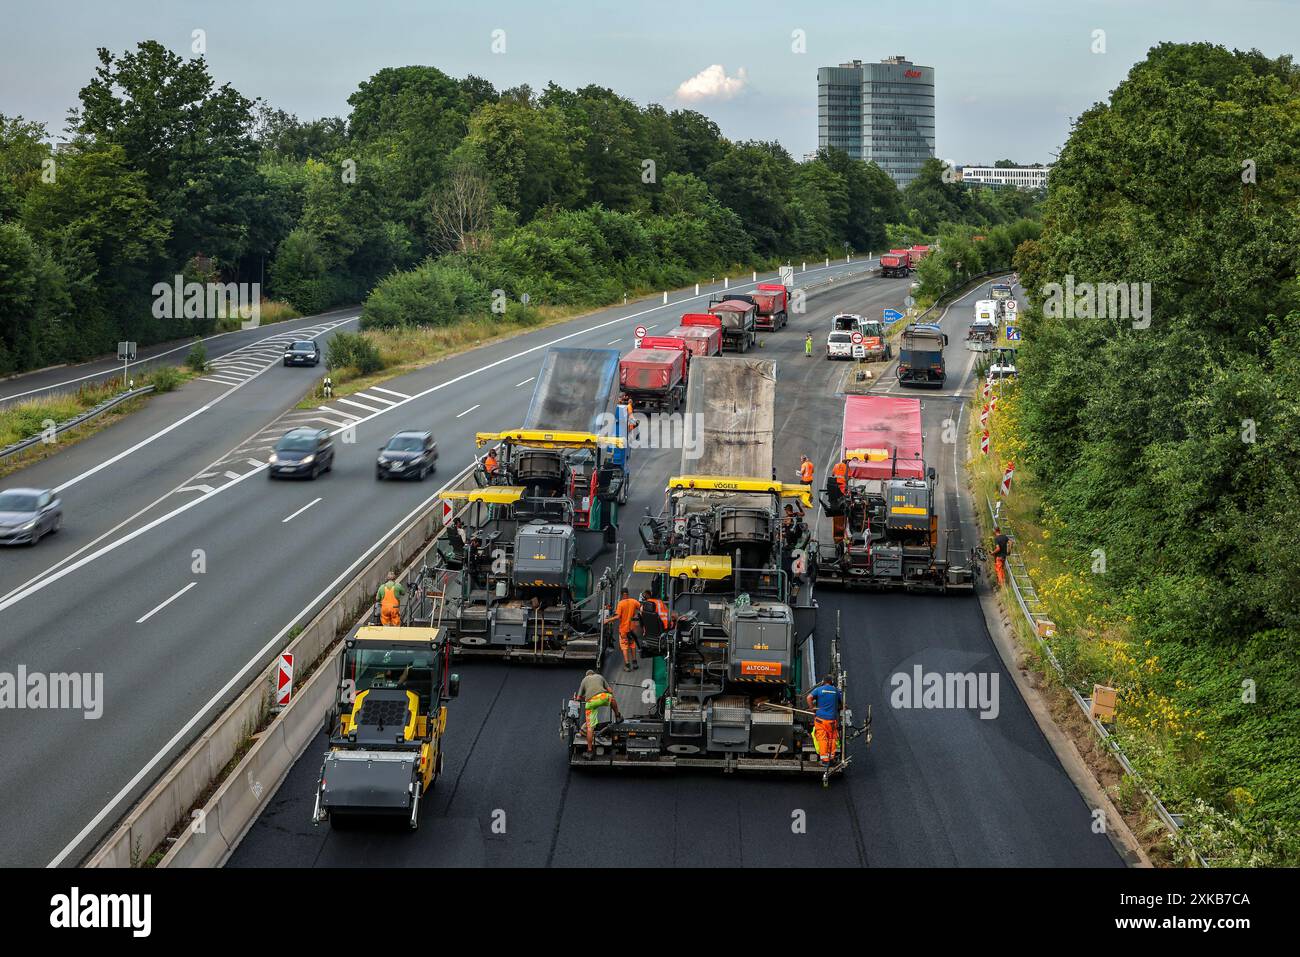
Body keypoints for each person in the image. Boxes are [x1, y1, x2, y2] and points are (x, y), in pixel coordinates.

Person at [574, 670, 623, 760]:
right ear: (593, 674)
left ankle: (589, 751)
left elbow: (578, 698)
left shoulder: (584, 680)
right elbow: (610, 691)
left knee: (590, 728)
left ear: (587, 675)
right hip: (602, 697)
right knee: (611, 699)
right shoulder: (600, 677)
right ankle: (618, 716)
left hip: (590, 702)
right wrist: (610, 697)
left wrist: (578, 699)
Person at [806, 674, 843, 766]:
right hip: (832, 721)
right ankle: (831, 758)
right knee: (832, 738)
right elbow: (842, 703)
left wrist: (812, 708)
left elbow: (808, 697)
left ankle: (825, 760)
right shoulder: (836, 691)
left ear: (823, 681)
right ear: (832, 682)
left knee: (822, 739)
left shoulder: (818, 690)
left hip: (820, 720)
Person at [604, 587, 642, 671]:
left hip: (624, 630)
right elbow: (641, 608)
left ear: (621, 594)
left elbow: (617, 616)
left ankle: (627, 666)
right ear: (627, 594)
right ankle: (635, 663)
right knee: (632, 644)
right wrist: (638, 616)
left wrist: (607, 620)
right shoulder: (633, 601)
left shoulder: (621, 603)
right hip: (632, 628)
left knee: (624, 646)